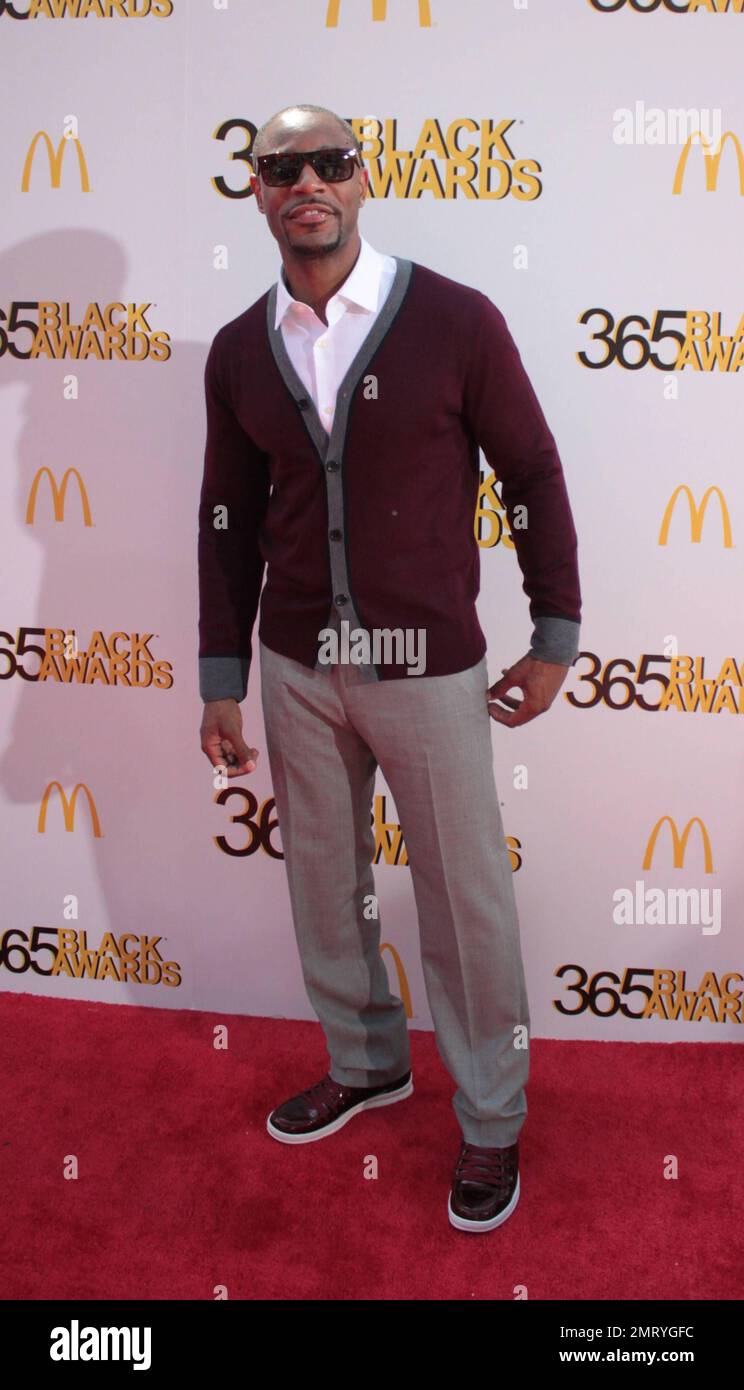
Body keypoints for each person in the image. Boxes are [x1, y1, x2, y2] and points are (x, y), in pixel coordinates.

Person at [198, 103, 582, 1234]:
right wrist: (223, 672)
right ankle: (367, 1063)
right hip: (297, 669)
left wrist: (554, 631)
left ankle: (492, 1122)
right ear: (257, 192)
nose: (304, 180)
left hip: (427, 669)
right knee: (325, 882)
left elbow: (534, 471)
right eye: (280, 166)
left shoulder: (456, 321)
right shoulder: (236, 350)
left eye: (328, 162)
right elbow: (226, 520)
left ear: (362, 180)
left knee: (467, 904)